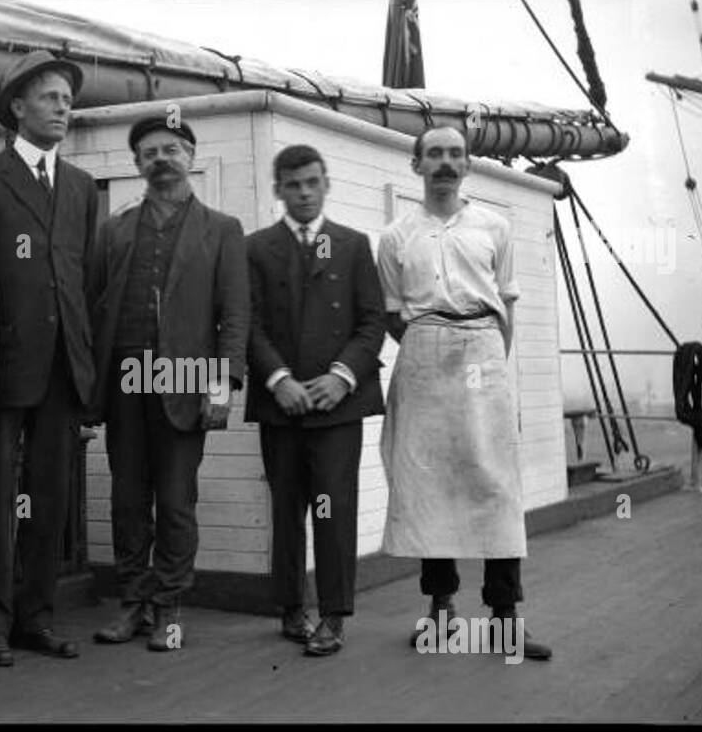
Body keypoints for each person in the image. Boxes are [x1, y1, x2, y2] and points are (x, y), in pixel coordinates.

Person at [377, 125, 551, 660]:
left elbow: (507, 305)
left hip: (483, 351)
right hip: (424, 353)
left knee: (496, 486)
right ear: (417, 166)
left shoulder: (494, 228)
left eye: (455, 154)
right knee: (429, 485)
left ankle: (504, 617)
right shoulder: (395, 237)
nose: (446, 163)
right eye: (435, 154)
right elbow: (392, 316)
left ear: (468, 164)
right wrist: (433, 342)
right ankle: (441, 612)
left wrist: (485, 358)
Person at [0, 50, 98, 666]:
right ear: (16, 108)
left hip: (62, 368)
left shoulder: (81, 187)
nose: (63, 108)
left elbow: (83, 279)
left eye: (68, 100)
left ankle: (35, 617)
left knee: (49, 499)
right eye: (50, 98)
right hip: (0, 366)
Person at [89, 116, 250, 651]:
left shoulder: (222, 229)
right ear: (137, 165)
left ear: (190, 157)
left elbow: (235, 314)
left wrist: (221, 387)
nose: (161, 159)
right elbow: (94, 307)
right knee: (128, 498)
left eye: (171, 150)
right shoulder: (113, 229)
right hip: (125, 376)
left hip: (184, 378)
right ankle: (133, 604)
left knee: (176, 500)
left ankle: (170, 609)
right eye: (150, 153)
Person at [244, 144, 385, 656]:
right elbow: (248, 324)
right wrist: (278, 378)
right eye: (292, 184)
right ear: (277, 188)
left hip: (336, 408)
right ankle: (290, 608)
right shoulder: (255, 247)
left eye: (311, 182)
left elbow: (371, 321)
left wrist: (342, 376)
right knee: (286, 508)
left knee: (332, 508)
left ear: (326, 183)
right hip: (280, 405)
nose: (303, 193)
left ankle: (333, 615)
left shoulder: (352, 245)